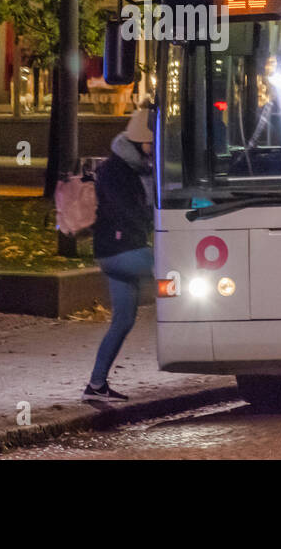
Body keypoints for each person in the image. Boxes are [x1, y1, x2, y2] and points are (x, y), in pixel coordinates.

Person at [84, 107, 157, 402]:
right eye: (152, 143)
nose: (155, 150)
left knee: (124, 320)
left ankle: (96, 386)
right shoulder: (117, 170)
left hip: (117, 252)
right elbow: (127, 211)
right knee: (180, 268)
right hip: (119, 252)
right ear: (141, 141)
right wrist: (154, 221)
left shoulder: (136, 167)